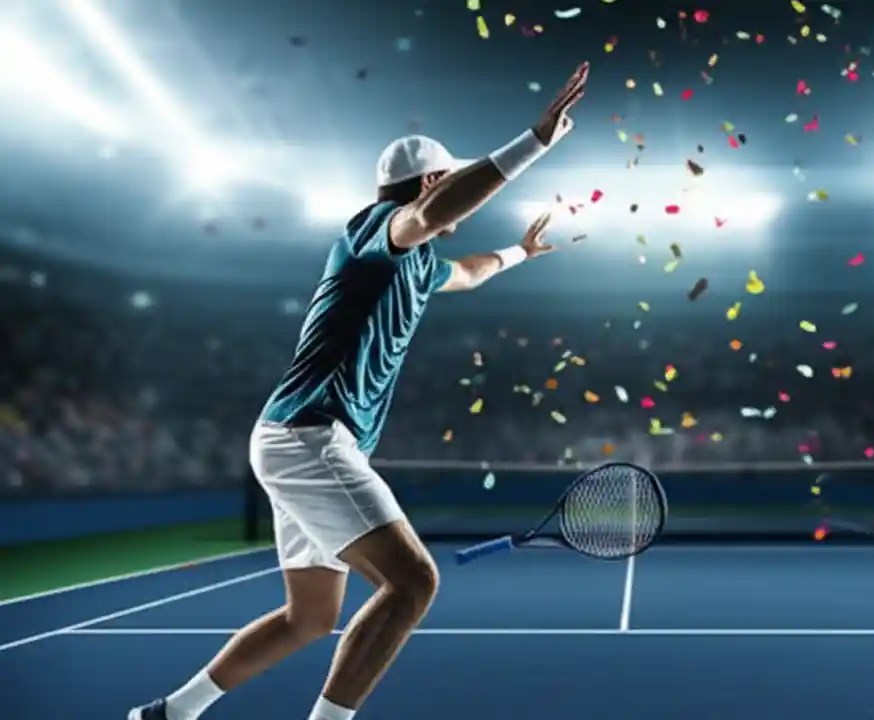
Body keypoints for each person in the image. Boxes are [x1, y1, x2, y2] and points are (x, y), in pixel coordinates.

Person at [128, 62, 590, 720]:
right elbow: (426, 215)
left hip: (295, 437)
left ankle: (169, 713)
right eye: (449, 177)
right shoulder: (378, 230)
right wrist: (534, 142)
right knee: (412, 583)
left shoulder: (418, 264)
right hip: (311, 436)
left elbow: (467, 271)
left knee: (310, 618)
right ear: (431, 183)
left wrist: (519, 253)